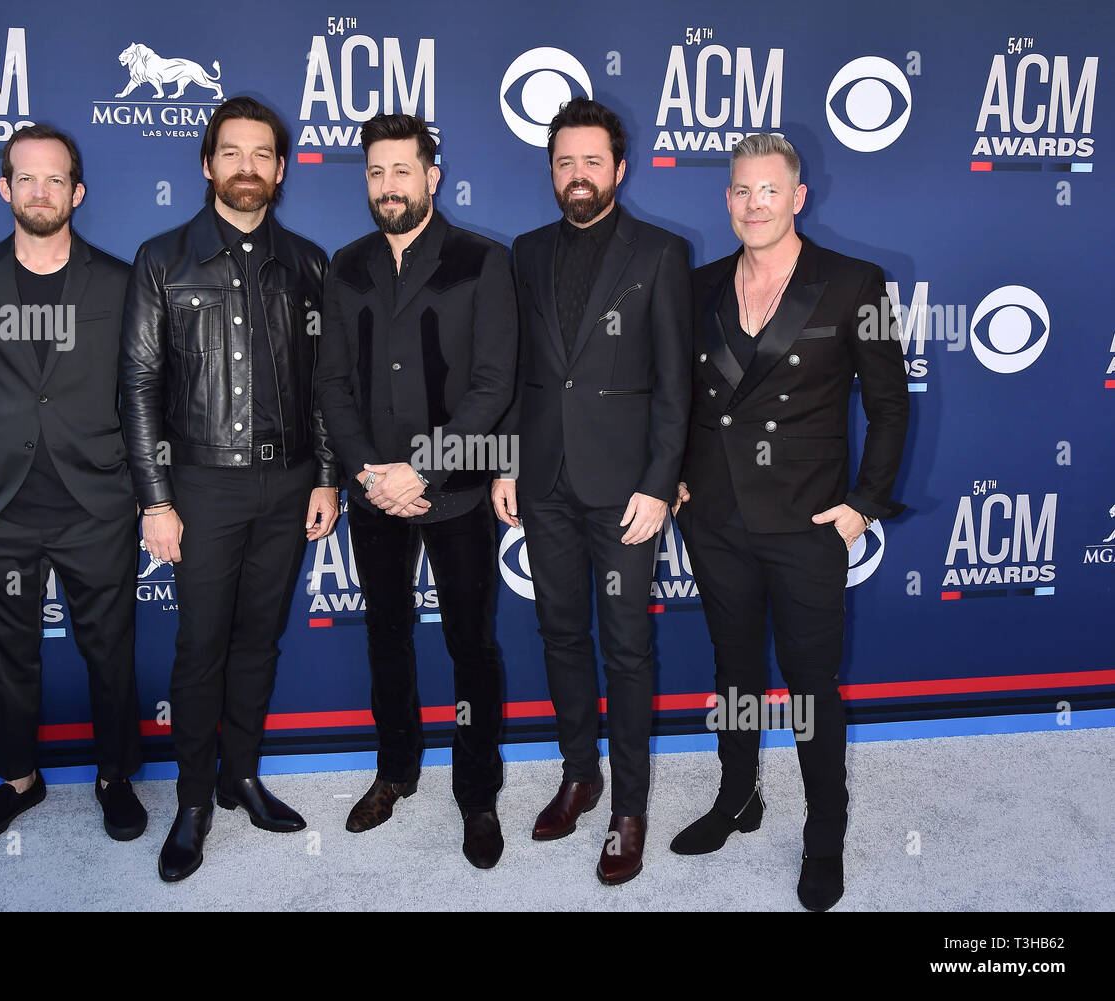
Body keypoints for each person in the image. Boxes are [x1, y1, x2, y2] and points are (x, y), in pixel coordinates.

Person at [669, 133, 909, 911]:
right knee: (732, 672)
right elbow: (674, 395)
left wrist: (863, 507)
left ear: (798, 196)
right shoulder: (699, 286)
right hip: (716, 519)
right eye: (740, 190)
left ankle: (824, 832)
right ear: (727, 198)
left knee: (810, 687)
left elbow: (890, 404)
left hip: (809, 523)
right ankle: (739, 796)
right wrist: (674, 478)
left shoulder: (854, 283)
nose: (752, 203)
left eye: (768, 190)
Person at [121, 96, 339, 882]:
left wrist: (324, 477)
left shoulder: (311, 263)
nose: (248, 167)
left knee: (258, 640)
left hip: (288, 488)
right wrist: (155, 497)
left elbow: (326, 387)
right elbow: (139, 385)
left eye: (263, 154)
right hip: (200, 486)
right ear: (208, 163)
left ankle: (242, 775)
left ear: (280, 170)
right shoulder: (161, 260)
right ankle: (193, 799)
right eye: (233, 152)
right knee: (200, 646)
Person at [0, 123, 145, 846]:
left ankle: (115, 775)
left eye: (56, 179)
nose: (41, 190)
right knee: (7, 649)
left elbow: (145, 393)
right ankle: (19, 778)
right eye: (27, 177)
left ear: (77, 192)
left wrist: (148, 494)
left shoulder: (119, 282)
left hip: (96, 505)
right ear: (5, 188)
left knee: (110, 651)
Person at [494, 97, 691, 885]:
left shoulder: (660, 253)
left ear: (620, 167)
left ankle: (629, 807)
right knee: (561, 634)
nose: (579, 175)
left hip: (624, 492)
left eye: (592, 161)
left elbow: (677, 386)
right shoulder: (527, 251)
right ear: (552, 170)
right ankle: (581, 775)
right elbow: (515, 371)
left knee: (627, 647)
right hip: (543, 481)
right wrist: (506, 461)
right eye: (565, 163)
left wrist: (659, 481)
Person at [315, 113, 517, 869]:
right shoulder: (348, 264)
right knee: (386, 636)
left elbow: (494, 383)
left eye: (403, 170)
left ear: (433, 176)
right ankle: (396, 768)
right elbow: (331, 383)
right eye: (376, 172)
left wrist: (421, 469)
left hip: (455, 492)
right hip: (372, 493)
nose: (389, 186)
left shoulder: (481, 261)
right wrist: (369, 471)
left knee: (471, 644)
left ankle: (477, 792)